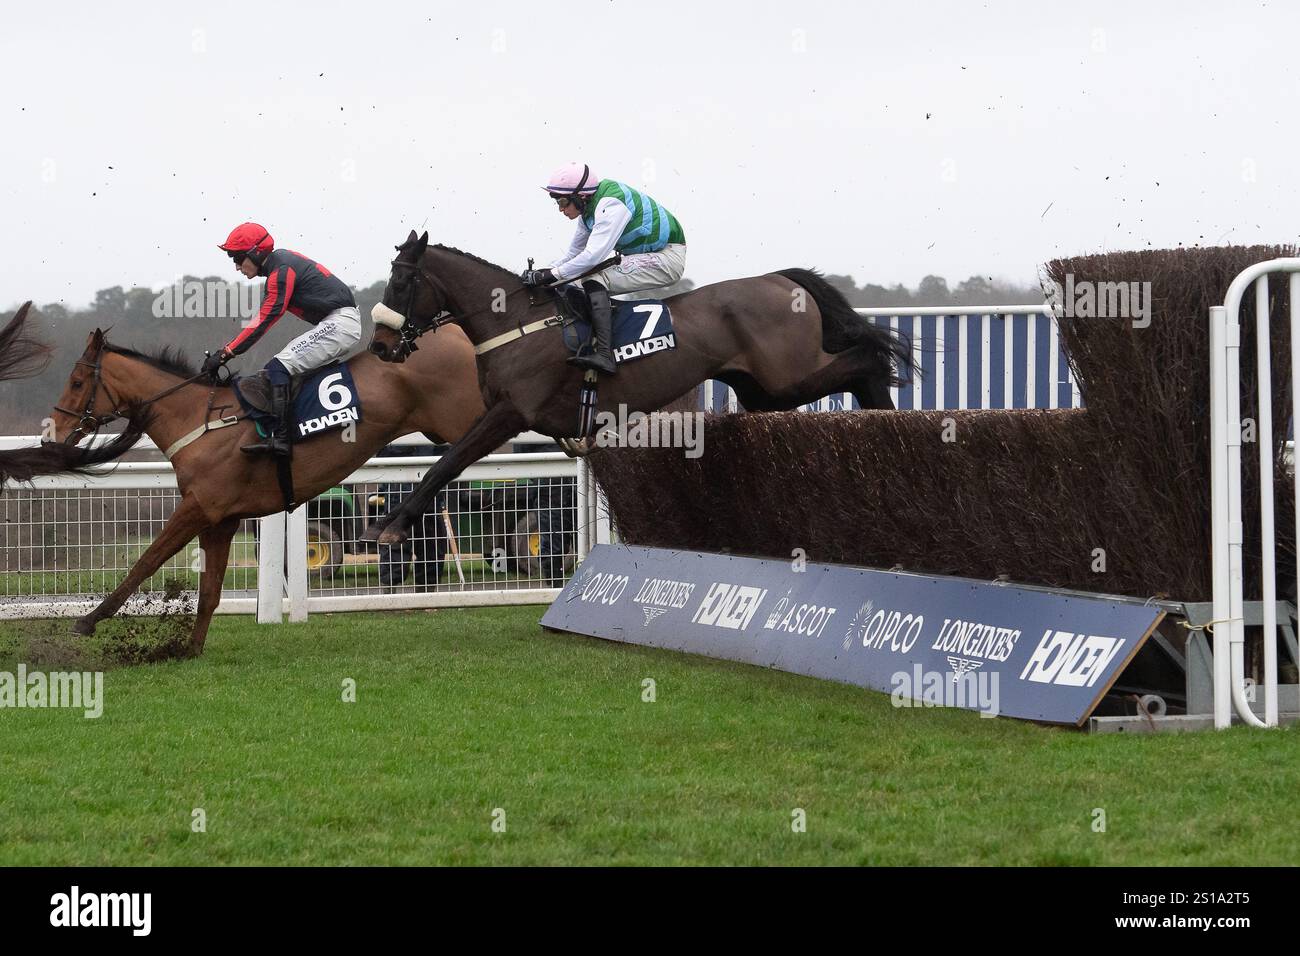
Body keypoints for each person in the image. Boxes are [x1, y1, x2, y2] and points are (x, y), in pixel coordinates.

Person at [201, 223, 361, 455]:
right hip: (338, 322)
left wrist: (225, 353)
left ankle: (282, 439)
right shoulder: (280, 264)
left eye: (237, 257)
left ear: (256, 252)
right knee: (283, 367)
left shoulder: (280, 272)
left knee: (277, 368)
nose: (236, 267)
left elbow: (264, 320)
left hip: (340, 324)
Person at [519, 163, 686, 374]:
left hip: (667, 258)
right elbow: (573, 255)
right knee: (573, 281)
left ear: (581, 196)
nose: (561, 209)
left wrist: (552, 275)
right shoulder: (589, 212)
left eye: (563, 202)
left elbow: (592, 256)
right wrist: (544, 272)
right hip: (649, 255)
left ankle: (605, 355)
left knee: (595, 279)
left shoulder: (610, 205)